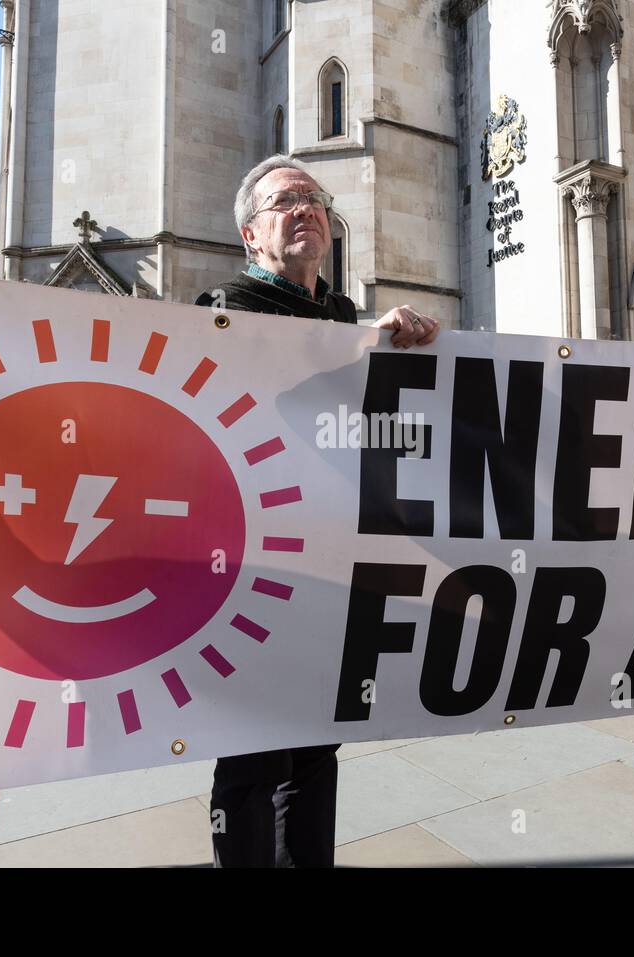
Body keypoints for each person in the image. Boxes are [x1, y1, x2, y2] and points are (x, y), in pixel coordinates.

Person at [195, 154, 439, 867]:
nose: (304, 208)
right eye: (283, 202)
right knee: (251, 758)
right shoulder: (227, 307)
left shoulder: (339, 315)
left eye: (314, 198)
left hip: (332, 567)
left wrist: (391, 343)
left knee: (315, 748)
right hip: (254, 571)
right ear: (251, 236)